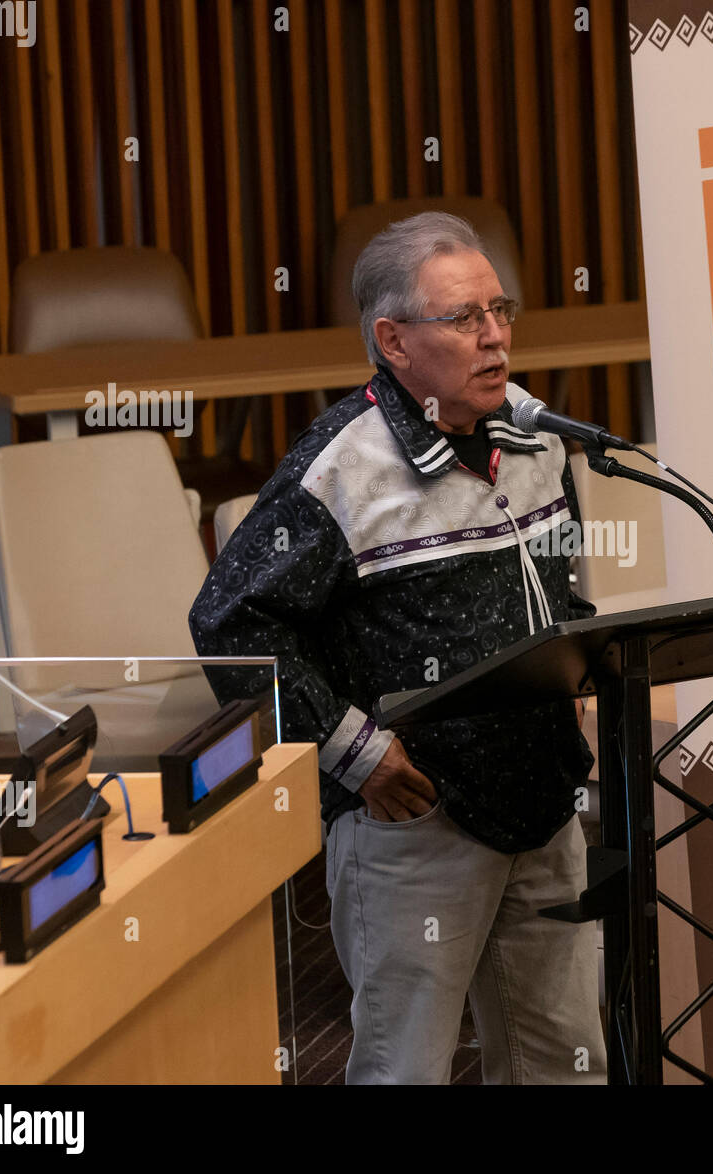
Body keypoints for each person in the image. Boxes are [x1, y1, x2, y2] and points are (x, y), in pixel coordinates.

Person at [189, 212, 607, 1084]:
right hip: (419, 817)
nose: (494, 339)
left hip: (543, 793)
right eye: (463, 319)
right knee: (403, 1070)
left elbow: (561, 575)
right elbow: (230, 624)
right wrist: (358, 757)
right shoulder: (341, 469)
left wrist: (577, 671)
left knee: (565, 1065)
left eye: (501, 311)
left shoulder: (535, 443)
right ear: (393, 341)